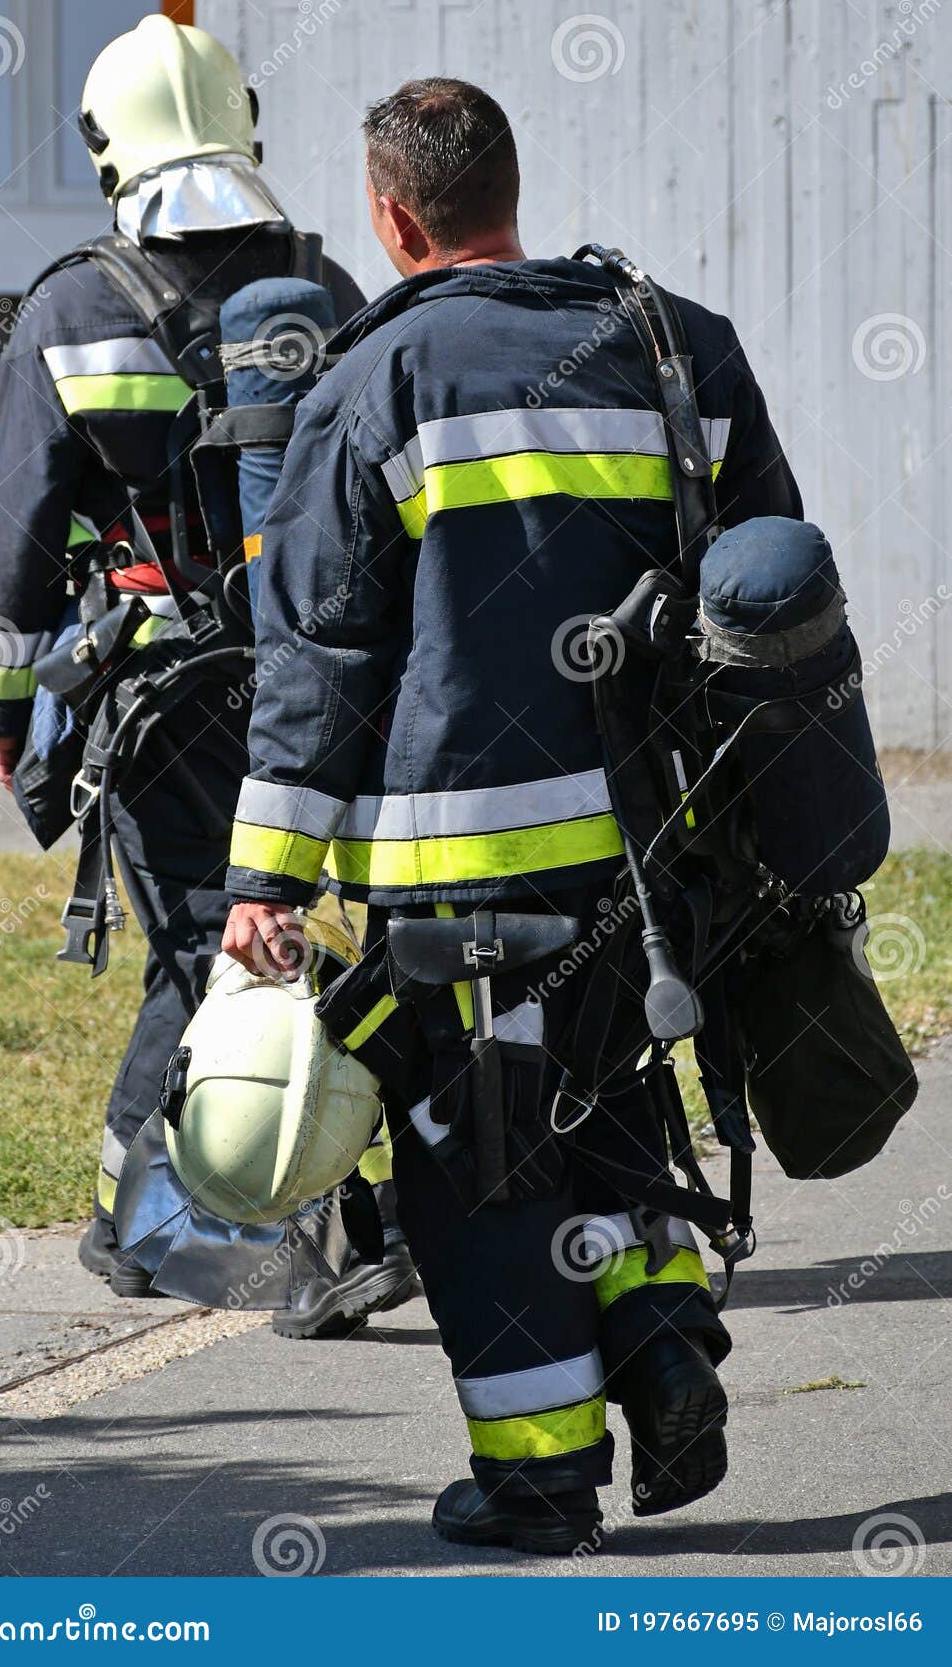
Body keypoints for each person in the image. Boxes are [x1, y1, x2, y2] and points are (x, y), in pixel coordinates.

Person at [223, 77, 802, 1551]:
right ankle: (662, 1331)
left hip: (459, 875)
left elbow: (317, 654)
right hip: (645, 864)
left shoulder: (372, 383)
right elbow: (767, 597)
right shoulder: (676, 344)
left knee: (483, 1174)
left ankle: (540, 1481)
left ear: (392, 215)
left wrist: (267, 877)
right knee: (602, 1104)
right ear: (507, 192)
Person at [0, 15, 418, 1323]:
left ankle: (220, 1225)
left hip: (158, 700)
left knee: (200, 952)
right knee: (266, 941)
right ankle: (194, 1216)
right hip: (318, 684)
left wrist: (6, 705)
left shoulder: (66, 306)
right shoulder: (326, 288)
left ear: (107, 146)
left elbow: (19, 548)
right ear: (244, 129)